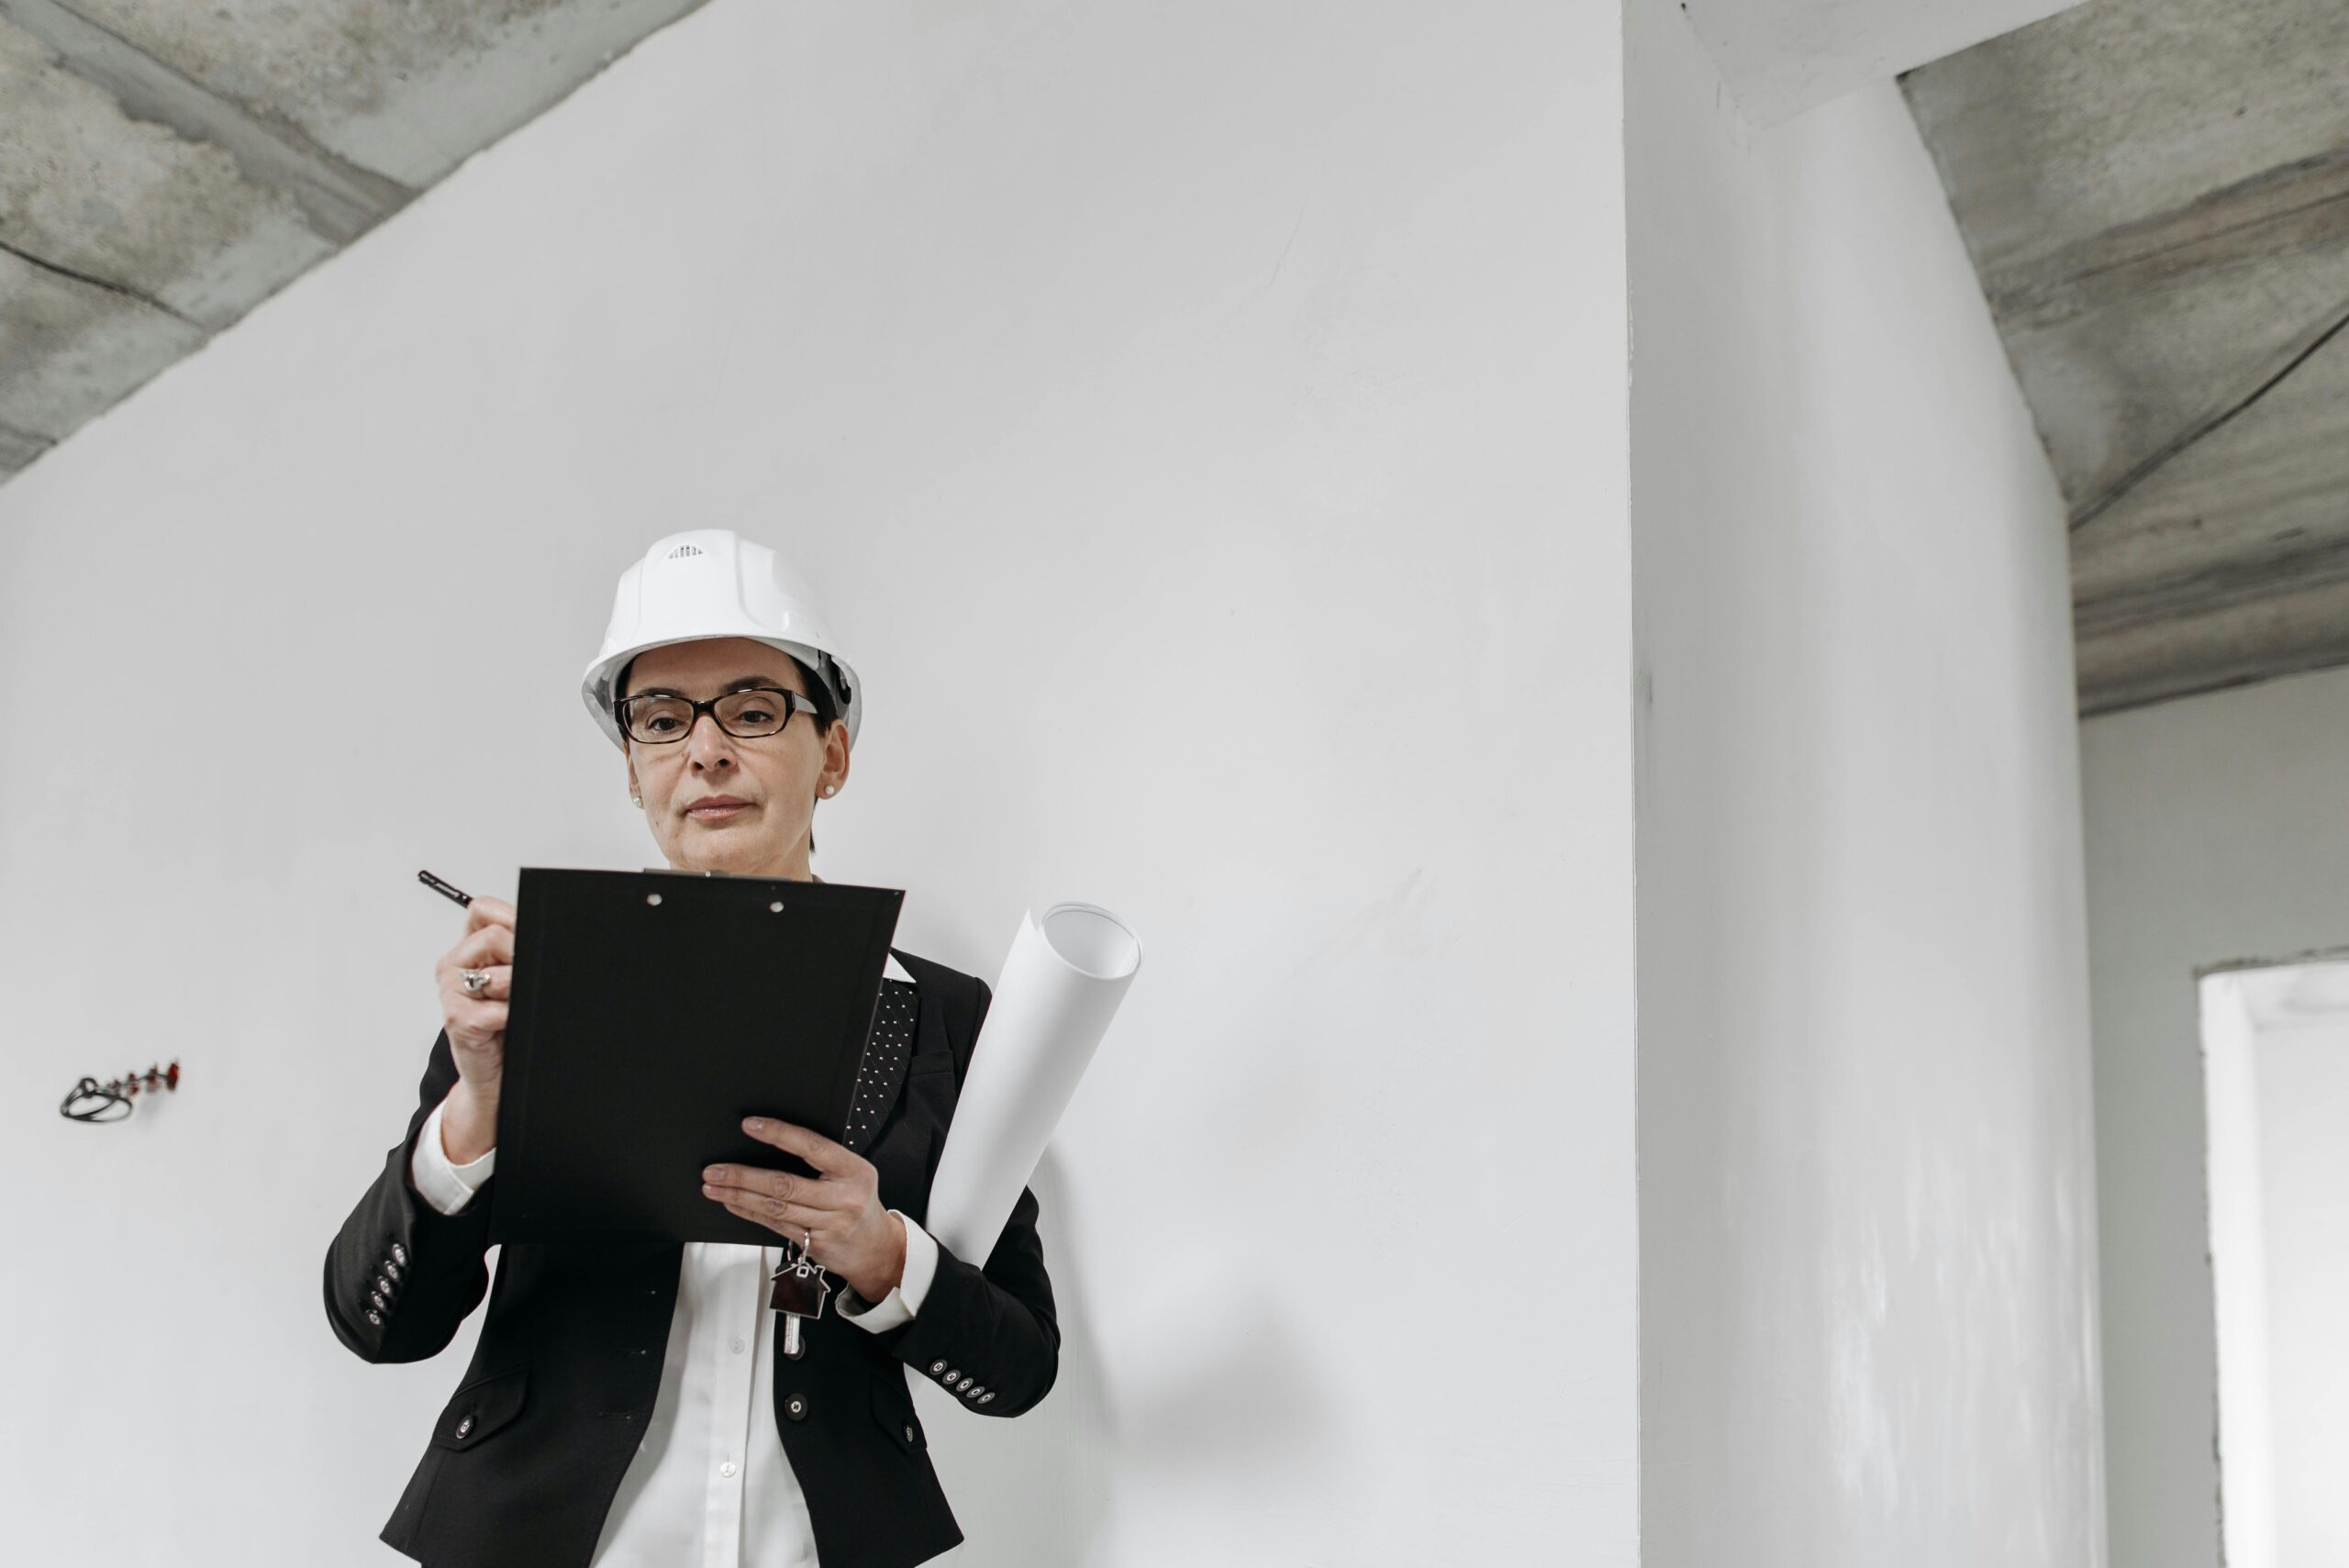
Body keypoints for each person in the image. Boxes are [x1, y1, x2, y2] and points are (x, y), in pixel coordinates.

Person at [323, 528, 1059, 1568]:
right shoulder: (531, 995)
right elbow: (377, 1323)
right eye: (661, 720)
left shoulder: (948, 1016)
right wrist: (479, 1111)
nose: (704, 750)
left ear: (833, 753)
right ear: (633, 768)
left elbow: (1021, 1364)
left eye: (753, 711)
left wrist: (885, 1254)